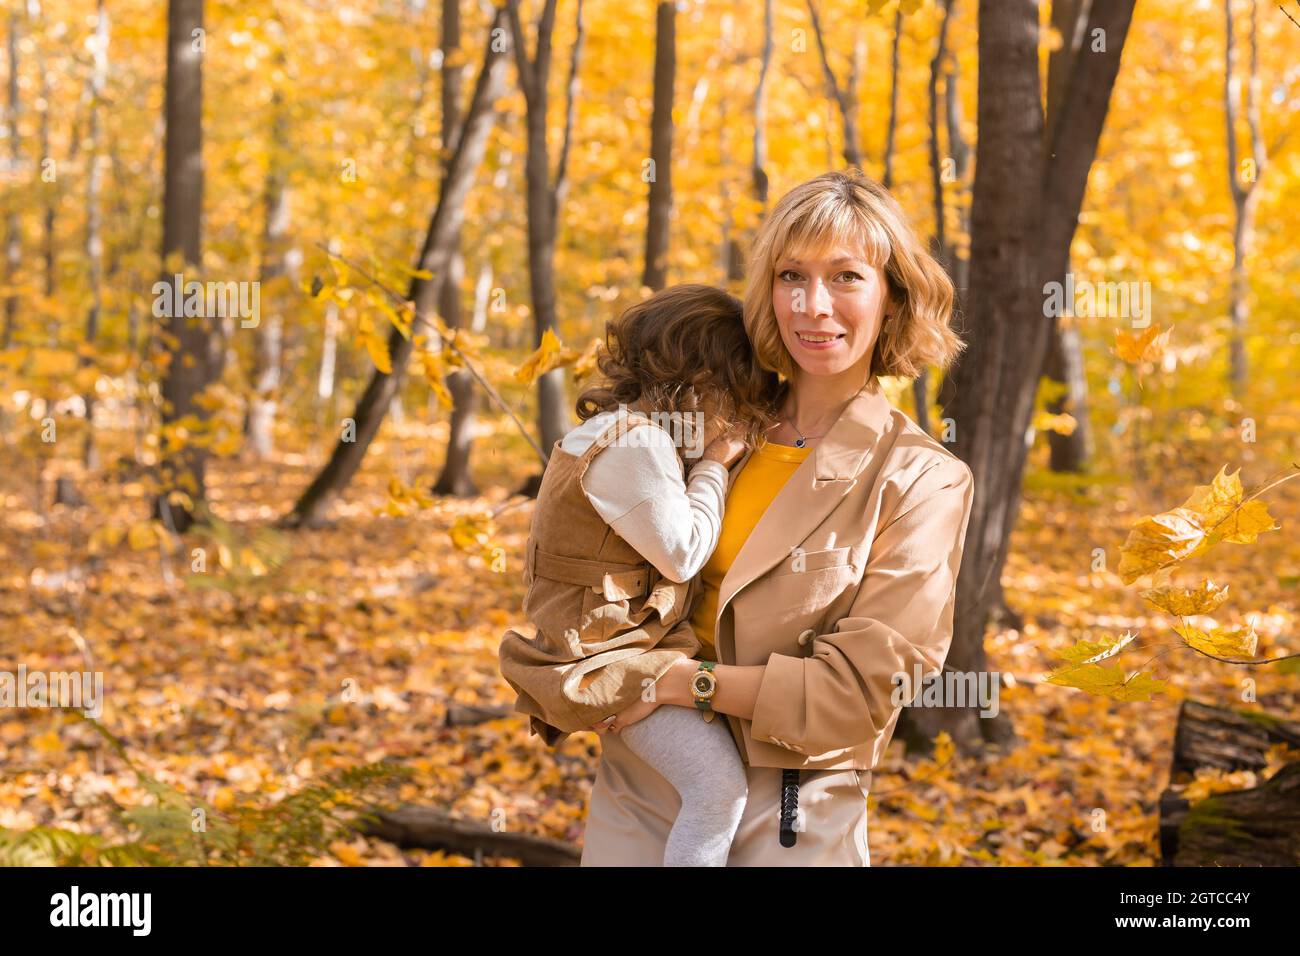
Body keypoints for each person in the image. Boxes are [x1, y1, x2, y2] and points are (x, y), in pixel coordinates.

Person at [580, 168, 976, 866]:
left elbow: (860, 693)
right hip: (645, 782)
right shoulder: (711, 427)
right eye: (792, 275)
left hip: (791, 806)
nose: (814, 304)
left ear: (893, 298)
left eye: (846, 277)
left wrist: (682, 683)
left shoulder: (922, 479)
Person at [498, 284, 782, 866]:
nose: (732, 423)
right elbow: (683, 553)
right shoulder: (640, 446)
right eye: (730, 404)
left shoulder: (614, 431)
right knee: (716, 789)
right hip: (605, 662)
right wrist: (713, 468)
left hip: (613, 647)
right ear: (696, 389)